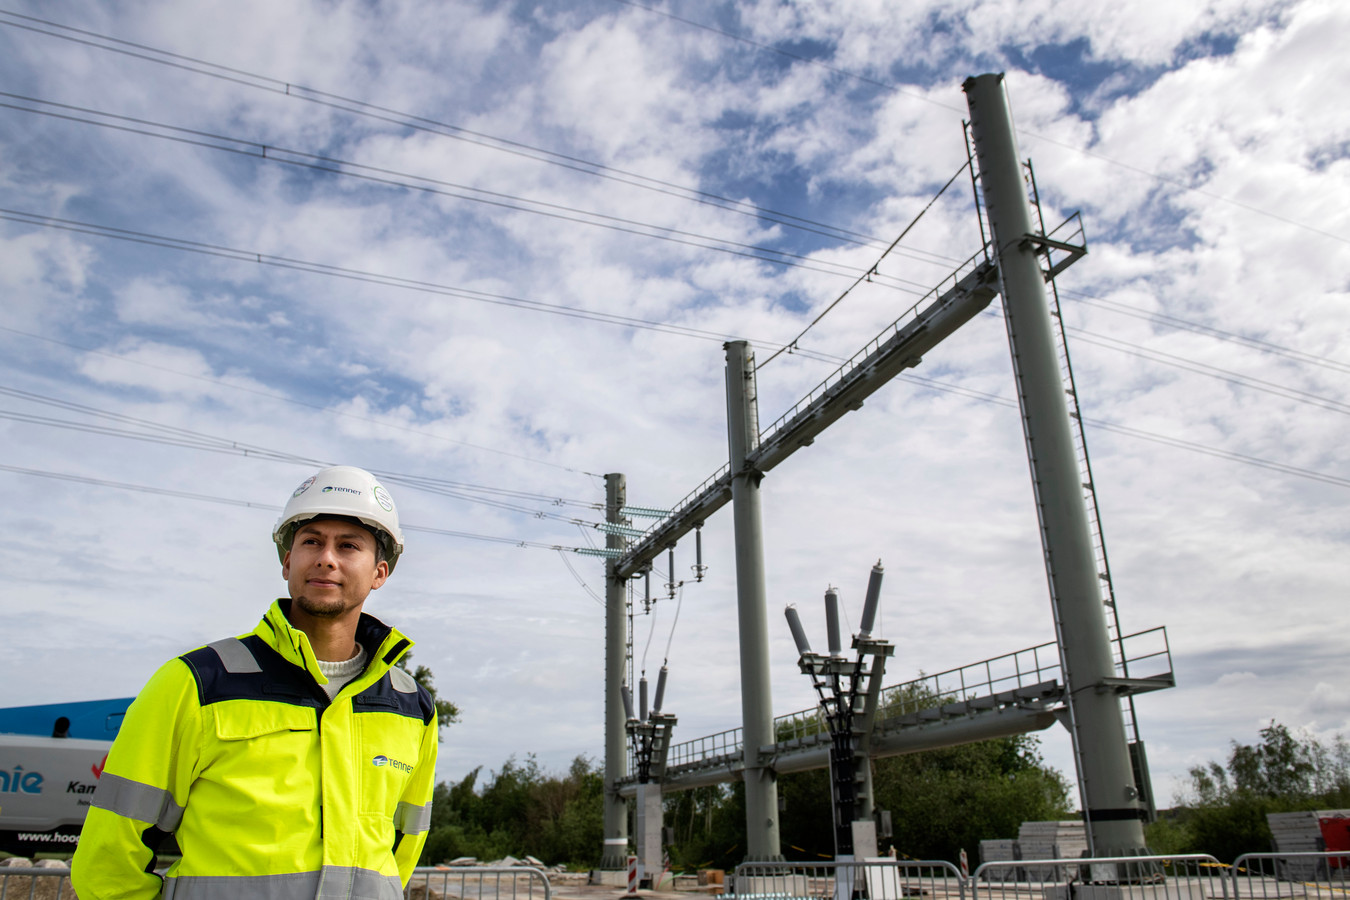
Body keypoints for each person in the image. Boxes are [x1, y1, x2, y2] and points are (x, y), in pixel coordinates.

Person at [71, 465, 437, 899]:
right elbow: (109, 859)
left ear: (379, 573)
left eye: (349, 545)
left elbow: (401, 852)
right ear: (287, 562)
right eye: (312, 542)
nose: (326, 557)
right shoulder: (196, 683)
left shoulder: (412, 708)